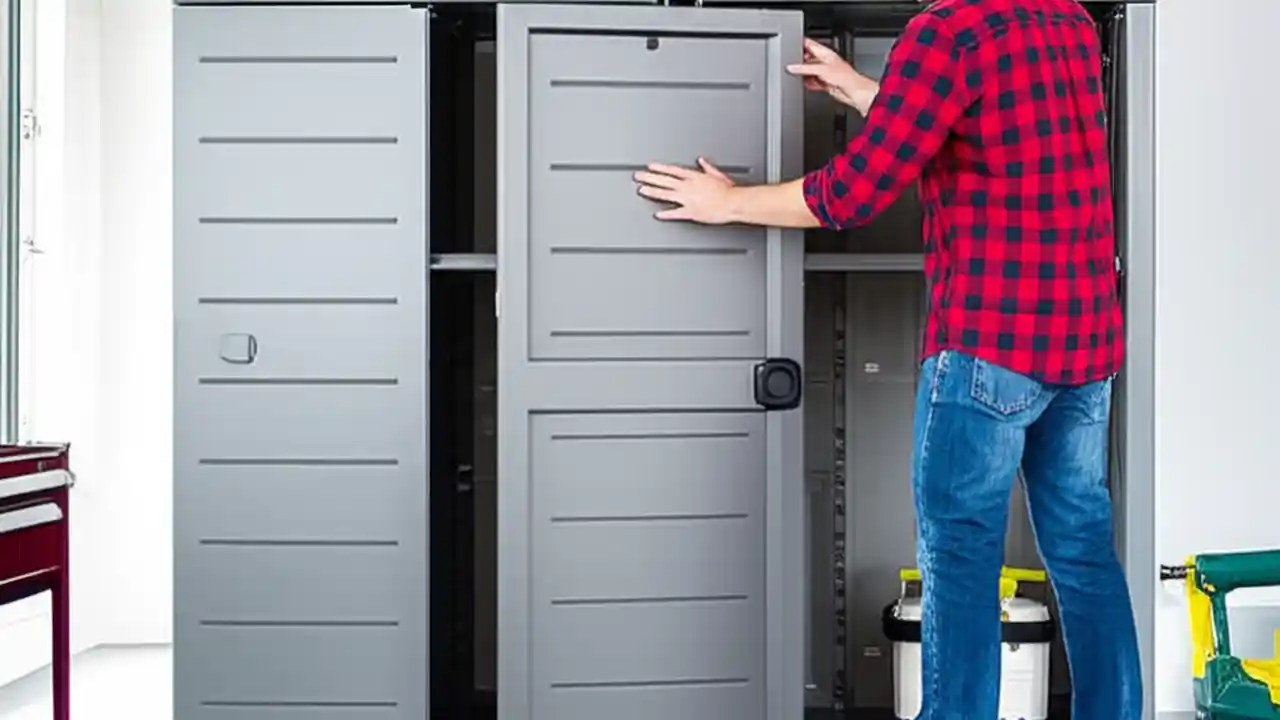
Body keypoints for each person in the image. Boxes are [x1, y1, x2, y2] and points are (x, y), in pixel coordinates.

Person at [633, 0, 1142, 718]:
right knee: (1086, 557)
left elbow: (852, 194)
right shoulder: (1068, 22)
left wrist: (729, 202)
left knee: (962, 567)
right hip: (1084, 348)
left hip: (986, 351)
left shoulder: (944, 32)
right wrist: (874, 95)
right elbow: (994, 137)